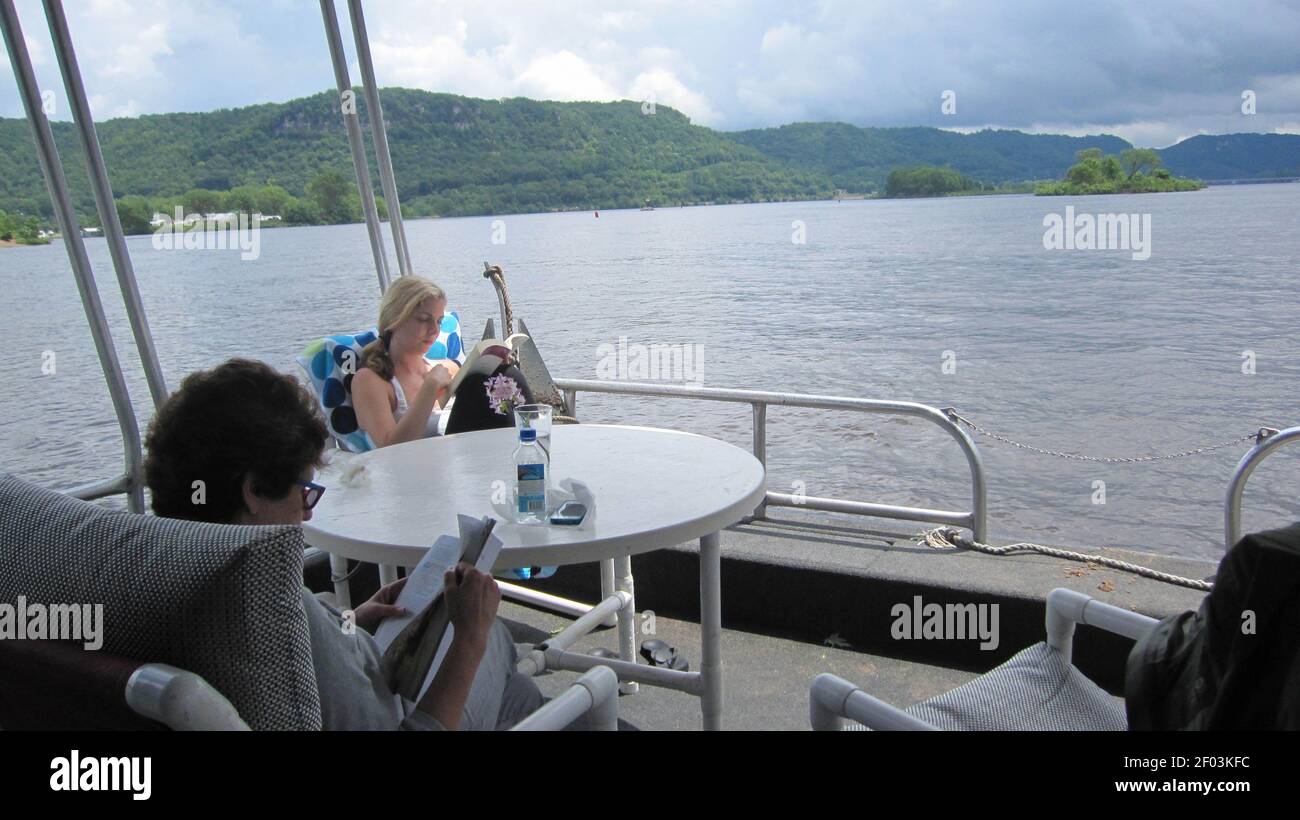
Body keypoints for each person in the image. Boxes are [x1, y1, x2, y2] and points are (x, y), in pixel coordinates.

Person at [143, 357, 544, 730]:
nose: (306, 512)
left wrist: (352, 619)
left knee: (519, 696)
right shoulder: (269, 606)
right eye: (303, 490)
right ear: (253, 492)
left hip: (365, 675)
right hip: (408, 716)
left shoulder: (168, 571)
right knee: (493, 634)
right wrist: (470, 636)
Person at [352, 275, 534, 446]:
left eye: (439, 322)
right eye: (424, 319)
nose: (434, 330)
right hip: (417, 468)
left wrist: (494, 363)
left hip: (467, 460)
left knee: (505, 374)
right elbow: (389, 449)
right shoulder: (370, 380)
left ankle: (534, 450)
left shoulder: (444, 368)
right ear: (394, 319)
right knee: (476, 384)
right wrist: (429, 389)